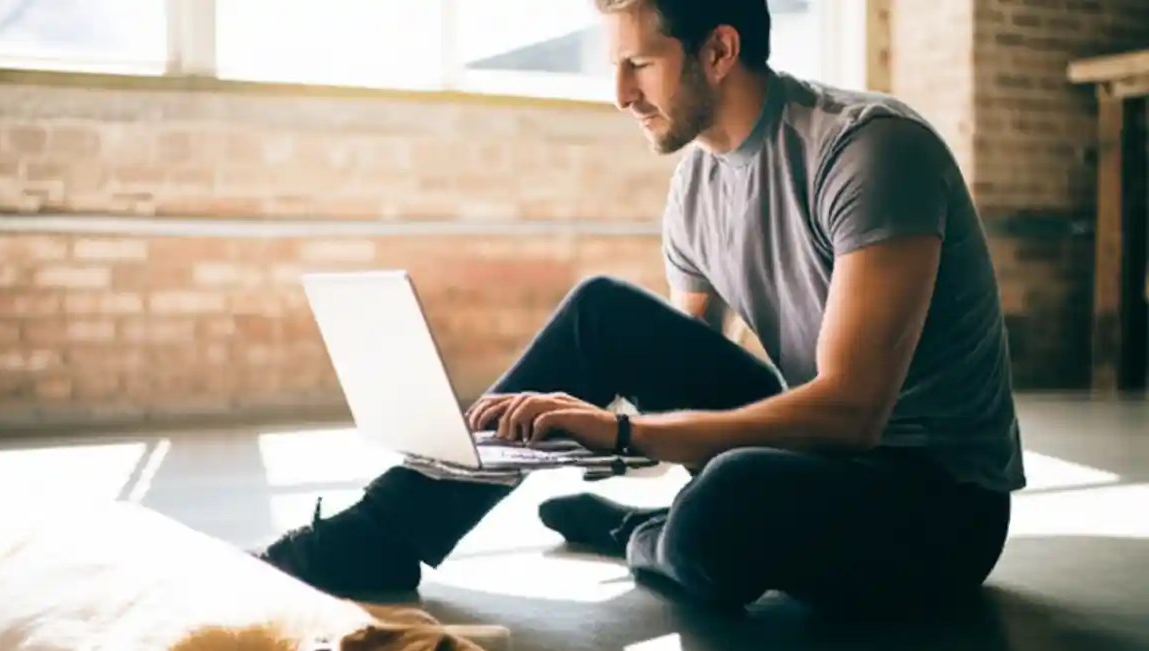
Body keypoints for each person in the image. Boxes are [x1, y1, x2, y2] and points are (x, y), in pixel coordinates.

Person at [256, 0, 1026, 615]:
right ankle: (383, 533)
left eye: (639, 65)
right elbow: (687, 388)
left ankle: (638, 533)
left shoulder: (870, 150)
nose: (621, 94)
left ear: (718, 51)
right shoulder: (696, 185)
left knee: (727, 504)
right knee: (603, 313)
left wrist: (625, 431)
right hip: (827, 462)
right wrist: (569, 426)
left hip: (936, 504)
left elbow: (853, 412)